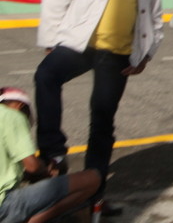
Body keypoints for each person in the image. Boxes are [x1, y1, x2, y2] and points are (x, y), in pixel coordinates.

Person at [33, 0, 163, 214]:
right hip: (82, 43)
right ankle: (54, 151)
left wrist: (146, 54)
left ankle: (95, 197)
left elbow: (154, 15)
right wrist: (52, 40)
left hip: (119, 54)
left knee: (102, 123)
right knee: (46, 75)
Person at [0, 87, 101, 223]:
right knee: (92, 179)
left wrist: (25, 175)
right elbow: (32, 166)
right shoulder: (12, 116)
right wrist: (46, 169)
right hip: (5, 206)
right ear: (20, 106)